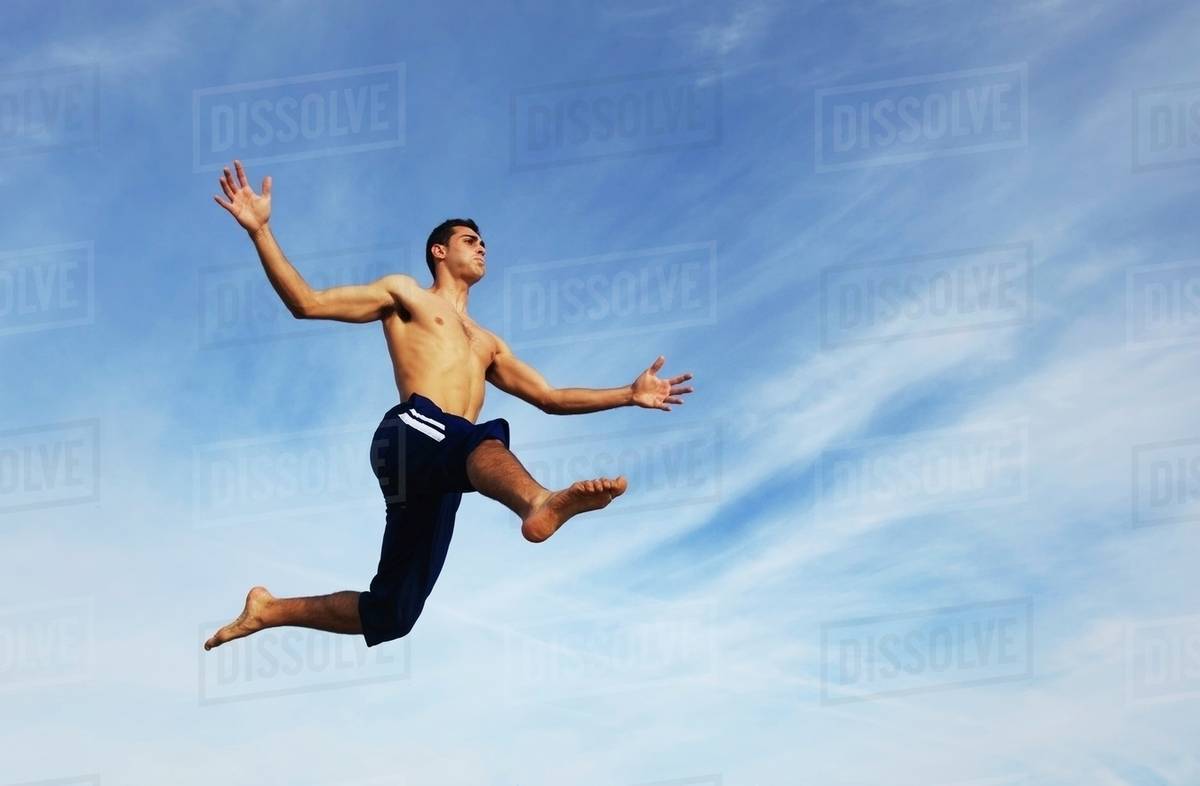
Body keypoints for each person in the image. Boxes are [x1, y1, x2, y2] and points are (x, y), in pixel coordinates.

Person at [203, 161, 695, 650]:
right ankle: (539, 500)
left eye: (484, 243)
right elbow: (306, 302)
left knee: (394, 612)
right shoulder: (406, 295)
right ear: (439, 251)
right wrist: (261, 232)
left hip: (448, 466)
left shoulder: (488, 343)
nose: (481, 247)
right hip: (410, 433)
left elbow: (549, 397)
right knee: (477, 434)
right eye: (469, 240)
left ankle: (269, 609)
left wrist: (627, 395)